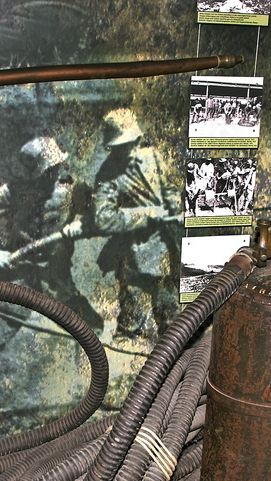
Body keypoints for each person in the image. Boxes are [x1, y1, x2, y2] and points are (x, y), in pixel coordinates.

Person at [0, 136, 100, 436]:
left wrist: (82, 224)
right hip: (18, 278)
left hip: (57, 281)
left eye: (54, 169)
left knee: (91, 330)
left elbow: (101, 216)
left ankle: (89, 394)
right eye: (46, 171)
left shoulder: (74, 190)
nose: (51, 175)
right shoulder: (14, 192)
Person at [94, 108, 181, 339]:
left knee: (172, 305)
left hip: (168, 243)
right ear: (113, 147)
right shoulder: (107, 175)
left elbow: (168, 188)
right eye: (123, 146)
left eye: (133, 143)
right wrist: (147, 214)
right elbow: (103, 219)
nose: (130, 150)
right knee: (146, 312)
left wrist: (174, 208)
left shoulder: (152, 156)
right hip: (137, 251)